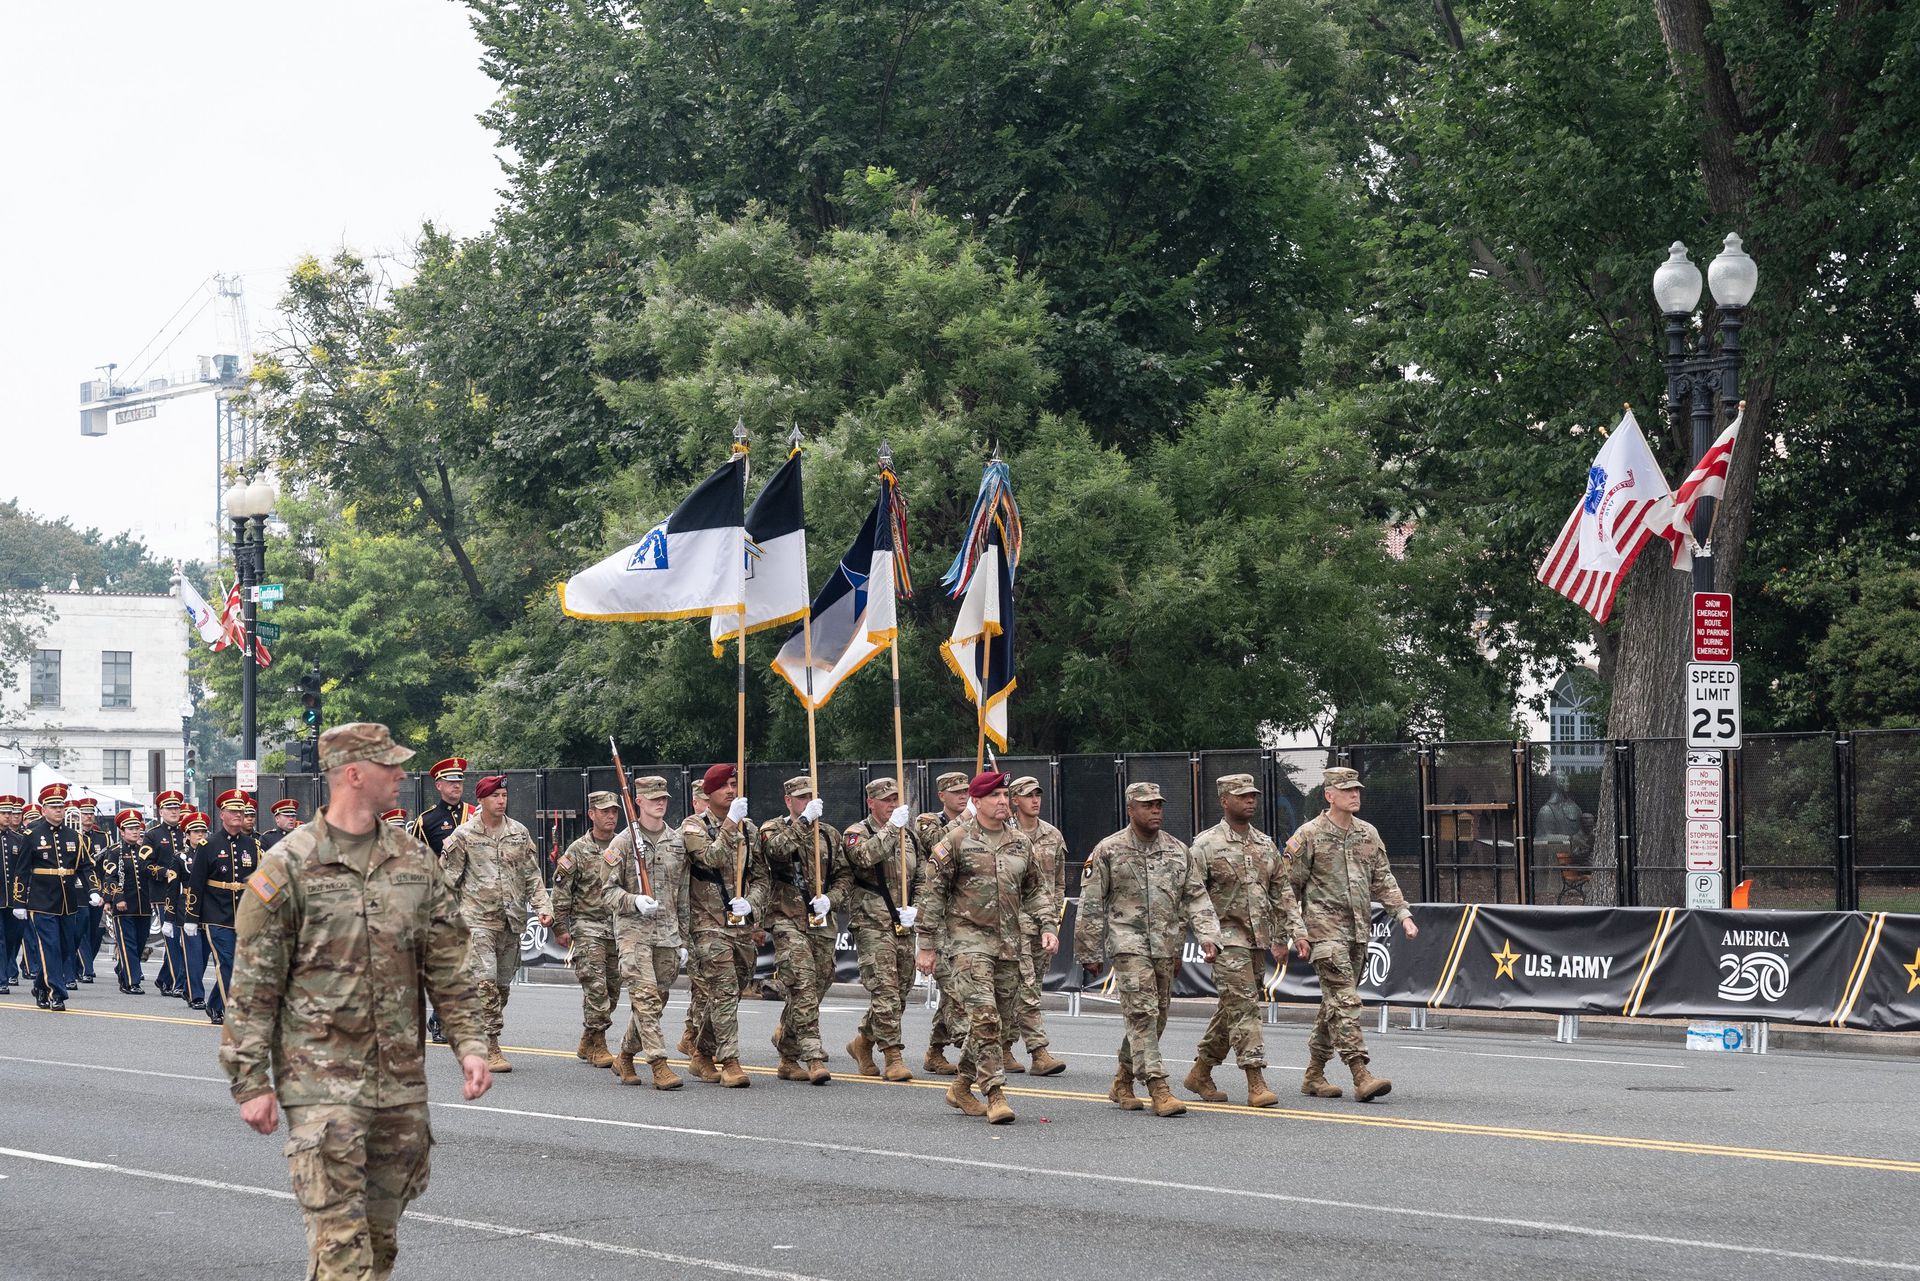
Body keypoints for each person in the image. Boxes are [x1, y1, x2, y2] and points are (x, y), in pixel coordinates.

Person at [220, 721, 491, 1281]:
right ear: (353, 774)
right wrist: (251, 1081)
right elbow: (253, 986)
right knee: (343, 1250)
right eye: (389, 765)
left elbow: (448, 961)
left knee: (380, 1245)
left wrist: (470, 1042)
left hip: (399, 1085)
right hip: (321, 1086)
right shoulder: (288, 865)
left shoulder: (414, 861)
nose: (400, 774)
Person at [916, 771, 1056, 1125]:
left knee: (1001, 1023)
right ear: (976, 803)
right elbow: (933, 894)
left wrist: (1048, 925)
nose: (1002, 802)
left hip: (1009, 944)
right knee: (985, 1018)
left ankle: (961, 1085)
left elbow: (1037, 889)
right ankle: (994, 1093)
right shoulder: (957, 841)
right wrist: (926, 945)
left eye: (1005, 795)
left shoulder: (1021, 844)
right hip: (967, 943)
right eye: (994, 796)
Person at [1076, 781, 1223, 1118]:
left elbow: (1197, 896)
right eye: (1147, 805)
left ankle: (1122, 1081)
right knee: (1143, 1013)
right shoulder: (1108, 850)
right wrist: (1089, 951)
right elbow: (1091, 903)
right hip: (1127, 944)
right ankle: (1158, 1086)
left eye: (1158, 805)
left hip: (1166, 945)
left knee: (1156, 1017)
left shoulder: (1177, 850)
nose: (1155, 810)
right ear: (1131, 809)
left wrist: (1208, 936)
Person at [1283, 766, 1419, 1102]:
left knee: (1335, 1004)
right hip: (1323, 933)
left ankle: (1314, 1074)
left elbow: (1383, 880)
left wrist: (1403, 914)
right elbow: (1288, 890)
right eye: (1347, 790)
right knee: (1345, 1000)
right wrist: (1293, 932)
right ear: (1329, 796)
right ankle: (1360, 1072)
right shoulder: (1308, 835)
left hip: (1358, 932)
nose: (1354, 795)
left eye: (1357, 789)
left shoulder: (1368, 834)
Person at [1187, 773, 1301, 1108]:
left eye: (1252, 795)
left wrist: (1291, 934)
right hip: (1224, 940)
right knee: (1245, 1008)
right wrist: (1203, 935)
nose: (1250, 800)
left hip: (1257, 940)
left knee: (1232, 1008)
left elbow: (1282, 893)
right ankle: (1256, 1079)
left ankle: (1200, 1071)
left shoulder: (1265, 845)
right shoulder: (1205, 846)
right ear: (1225, 801)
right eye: (1241, 796)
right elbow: (1192, 896)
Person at [441, 774, 551, 1073]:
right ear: (482, 799)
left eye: (503, 795)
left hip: (511, 920)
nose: (501, 801)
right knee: (486, 981)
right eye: (495, 796)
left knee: (501, 988)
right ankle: (490, 1045)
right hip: (476, 921)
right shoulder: (463, 836)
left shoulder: (519, 832)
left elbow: (532, 875)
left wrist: (543, 906)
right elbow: (446, 881)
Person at [679, 763, 768, 1088]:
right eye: (724, 787)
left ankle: (701, 1053)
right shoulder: (692, 827)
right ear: (708, 793)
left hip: (740, 924)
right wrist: (731, 824)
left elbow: (760, 876)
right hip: (707, 924)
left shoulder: (750, 829)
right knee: (725, 988)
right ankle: (729, 1060)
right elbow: (710, 858)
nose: (731, 791)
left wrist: (753, 902)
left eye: (734, 785)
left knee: (737, 986)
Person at [602, 775, 690, 1090]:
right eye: (654, 800)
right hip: (632, 932)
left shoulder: (677, 841)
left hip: (666, 933)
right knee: (645, 997)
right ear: (638, 802)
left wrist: (684, 937)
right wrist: (634, 900)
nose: (660, 804)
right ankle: (658, 1063)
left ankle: (625, 1055)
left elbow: (682, 893)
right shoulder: (623, 842)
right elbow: (607, 894)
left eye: (664, 799)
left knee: (657, 998)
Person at [840, 777, 926, 1082]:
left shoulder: (910, 837)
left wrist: (915, 906)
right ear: (871, 803)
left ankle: (862, 1043)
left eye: (895, 799)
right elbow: (865, 857)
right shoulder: (857, 833)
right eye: (886, 800)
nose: (892, 805)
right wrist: (891, 829)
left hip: (902, 924)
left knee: (900, 993)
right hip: (871, 923)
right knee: (885, 991)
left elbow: (923, 877)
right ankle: (893, 1056)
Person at [758, 775, 841, 1084]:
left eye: (811, 797)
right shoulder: (772, 829)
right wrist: (804, 821)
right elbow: (776, 851)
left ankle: (787, 1047)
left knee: (820, 981)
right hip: (786, 918)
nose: (808, 801)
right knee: (802, 983)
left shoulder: (830, 835)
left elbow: (844, 877)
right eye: (801, 797)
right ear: (788, 801)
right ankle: (813, 1055)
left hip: (820, 921)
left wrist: (831, 900)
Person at [551, 790, 625, 1069]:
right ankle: (600, 1045)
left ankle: (588, 1037)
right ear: (592, 814)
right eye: (604, 811)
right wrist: (560, 927)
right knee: (596, 988)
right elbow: (561, 893)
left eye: (614, 811)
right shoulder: (577, 851)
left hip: (618, 927)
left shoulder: (623, 846)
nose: (610, 816)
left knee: (613, 989)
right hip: (587, 927)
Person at [1007, 775, 1068, 1076]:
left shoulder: (1052, 835)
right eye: (1028, 795)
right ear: (1014, 800)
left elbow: (1058, 882)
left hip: (1043, 923)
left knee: (1024, 989)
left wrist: (1052, 920)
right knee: (1026, 986)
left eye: (1038, 794)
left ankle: (1004, 1048)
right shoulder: (1005, 834)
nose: (1035, 800)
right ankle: (1039, 1052)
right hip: (1013, 922)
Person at [186, 790, 263, 1026]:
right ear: (222, 815)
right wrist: (191, 917)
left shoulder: (252, 844)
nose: (239, 815)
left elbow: (259, 881)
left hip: (243, 914)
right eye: (233, 811)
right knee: (226, 962)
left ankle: (215, 1005)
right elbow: (196, 883)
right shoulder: (208, 844)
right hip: (215, 913)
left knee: (240, 965)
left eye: (241, 811)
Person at [16, 783, 91, 1011]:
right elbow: (21, 871)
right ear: (44, 809)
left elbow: (85, 866)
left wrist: (94, 890)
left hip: (67, 902)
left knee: (66, 948)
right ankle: (56, 993)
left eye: (61, 806)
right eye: (54, 806)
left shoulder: (74, 836)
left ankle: (40, 985)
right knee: (50, 947)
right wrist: (19, 902)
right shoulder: (31, 835)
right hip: (41, 901)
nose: (59, 810)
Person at [918, 770, 973, 1074]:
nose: (962, 795)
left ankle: (934, 1051)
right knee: (954, 988)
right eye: (955, 791)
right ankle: (973, 1051)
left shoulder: (977, 826)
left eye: (966, 790)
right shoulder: (928, 821)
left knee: (955, 990)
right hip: (937, 921)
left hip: (964, 920)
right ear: (942, 796)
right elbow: (938, 844)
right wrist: (967, 816)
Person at [142, 791, 192, 997]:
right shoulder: (152, 835)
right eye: (170, 808)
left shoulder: (187, 832)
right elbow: (145, 864)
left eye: (177, 808)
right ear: (161, 811)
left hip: (187, 895)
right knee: (172, 939)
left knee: (182, 940)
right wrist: (165, 873)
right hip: (163, 894)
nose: (174, 812)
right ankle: (179, 982)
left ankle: (165, 977)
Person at [99, 809, 154, 993]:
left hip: (144, 905)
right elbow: (110, 878)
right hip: (124, 906)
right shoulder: (115, 852)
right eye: (130, 828)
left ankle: (123, 968)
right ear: (122, 832)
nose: (135, 831)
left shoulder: (145, 851)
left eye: (137, 828)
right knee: (128, 943)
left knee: (139, 943)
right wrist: (117, 898)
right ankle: (131, 982)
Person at [0, 795, 26, 992]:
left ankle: (8, 970)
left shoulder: (18, 839)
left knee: (13, 939)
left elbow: (23, 870)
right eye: (4, 813)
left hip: (13, 899)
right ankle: (2, 979)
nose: (8, 816)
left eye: (10, 813)